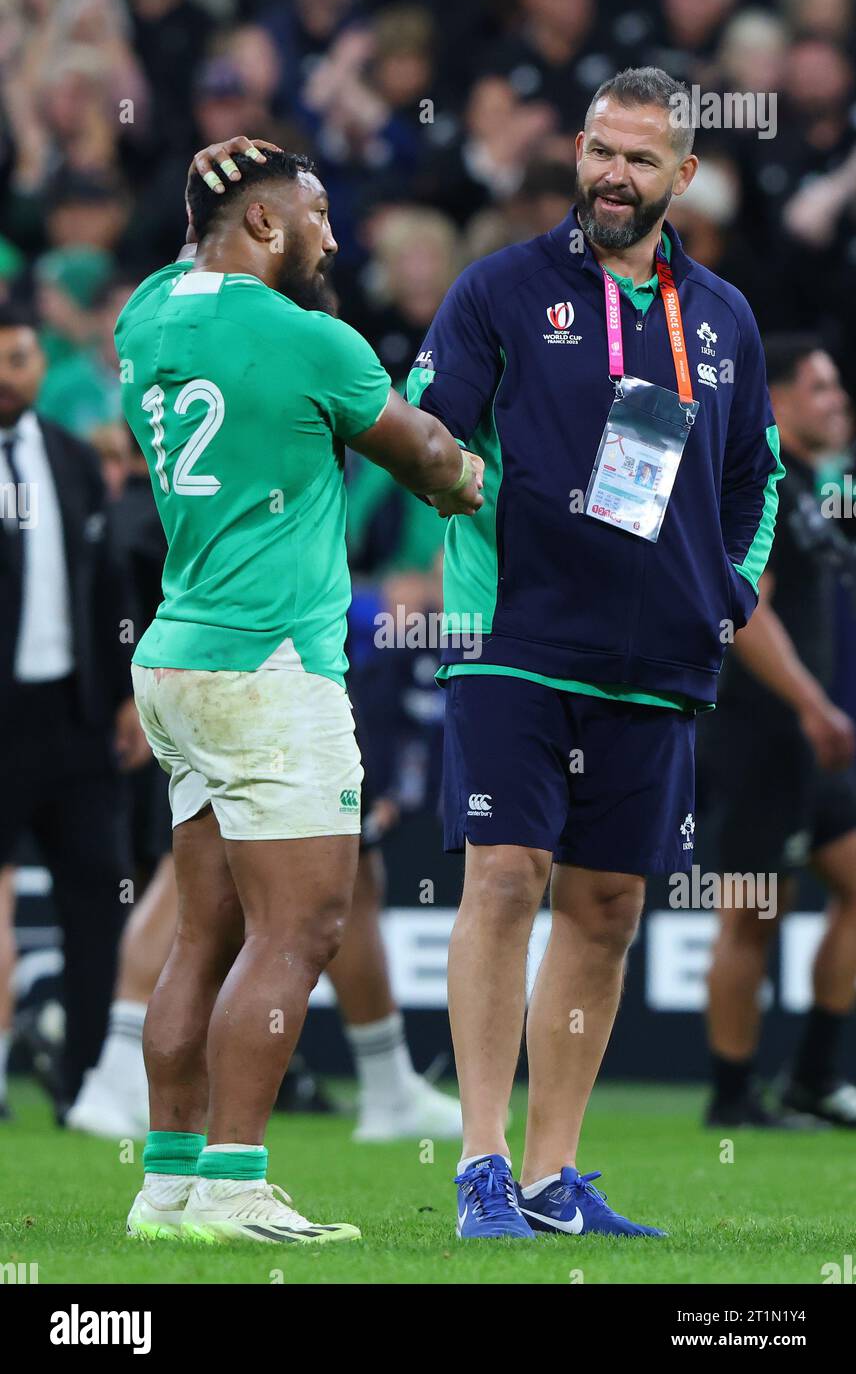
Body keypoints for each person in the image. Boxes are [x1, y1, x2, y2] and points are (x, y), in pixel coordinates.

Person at [406, 67, 783, 1239]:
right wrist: (462, 494)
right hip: (515, 637)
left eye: (639, 158)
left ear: (684, 174)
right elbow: (428, 424)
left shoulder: (721, 315)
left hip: (658, 658)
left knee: (611, 906)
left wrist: (725, 588)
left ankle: (552, 1176)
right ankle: (480, 1161)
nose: (613, 176)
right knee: (506, 874)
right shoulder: (502, 289)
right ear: (575, 151)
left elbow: (753, 475)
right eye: (598, 151)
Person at [117, 136, 483, 1245]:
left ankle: (168, 1187)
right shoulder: (307, 335)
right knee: (305, 924)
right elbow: (419, 455)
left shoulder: (143, 311)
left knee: (205, 934)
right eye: (317, 212)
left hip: (177, 656)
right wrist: (472, 475)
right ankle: (233, 1183)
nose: (334, 235)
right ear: (267, 225)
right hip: (269, 660)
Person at [702, 334, 856, 1130]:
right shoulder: (763, 484)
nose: (837, 401)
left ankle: (814, 1076)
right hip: (762, 734)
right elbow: (745, 611)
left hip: (808, 743)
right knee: (751, 916)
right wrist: (812, 704)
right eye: (822, 387)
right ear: (783, 401)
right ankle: (731, 1095)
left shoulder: (810, 491)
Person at [0, 303, 149, 1120]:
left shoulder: (70, 457)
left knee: (101, 894)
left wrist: (125, 692)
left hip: (76, 714)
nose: (7, 375)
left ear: (38, 365)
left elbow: (108, 586)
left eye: (19, 358)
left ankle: (90, 1083)